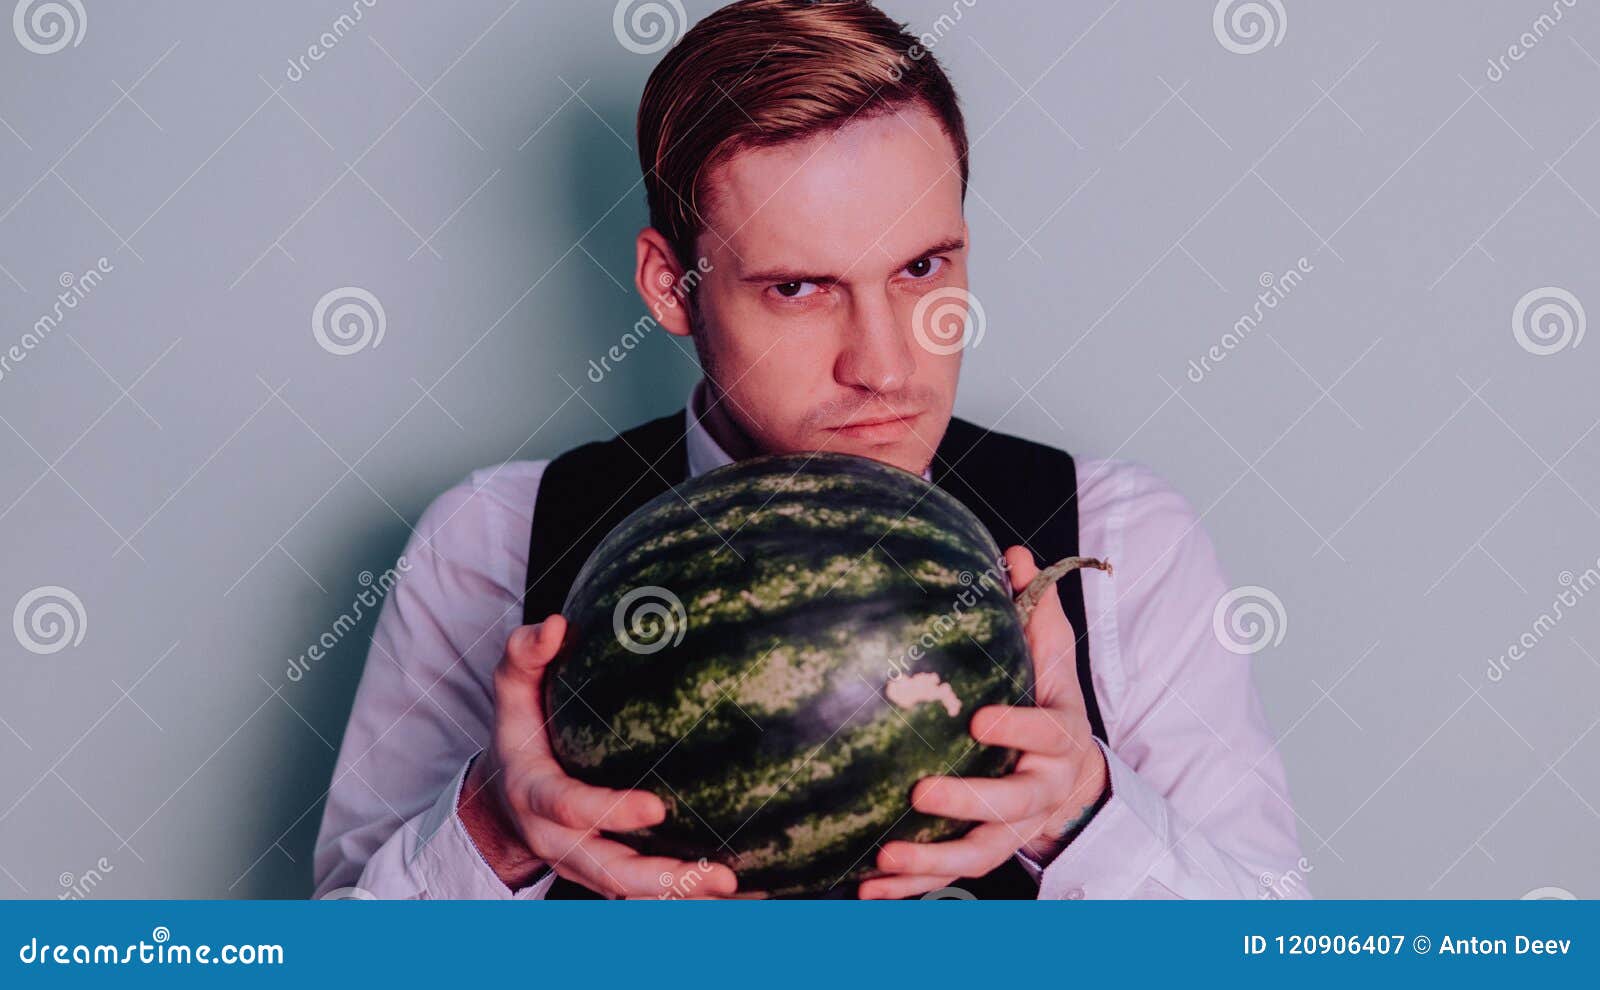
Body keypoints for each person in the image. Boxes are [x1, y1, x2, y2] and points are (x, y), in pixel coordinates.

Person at [313, 0, 1305, 900]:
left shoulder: (1119, 539)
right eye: (799, 288)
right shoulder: (490, 544)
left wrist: (1083, 814)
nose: (883, 365)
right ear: (670, 287)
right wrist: (494, 826)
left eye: (922, 268)